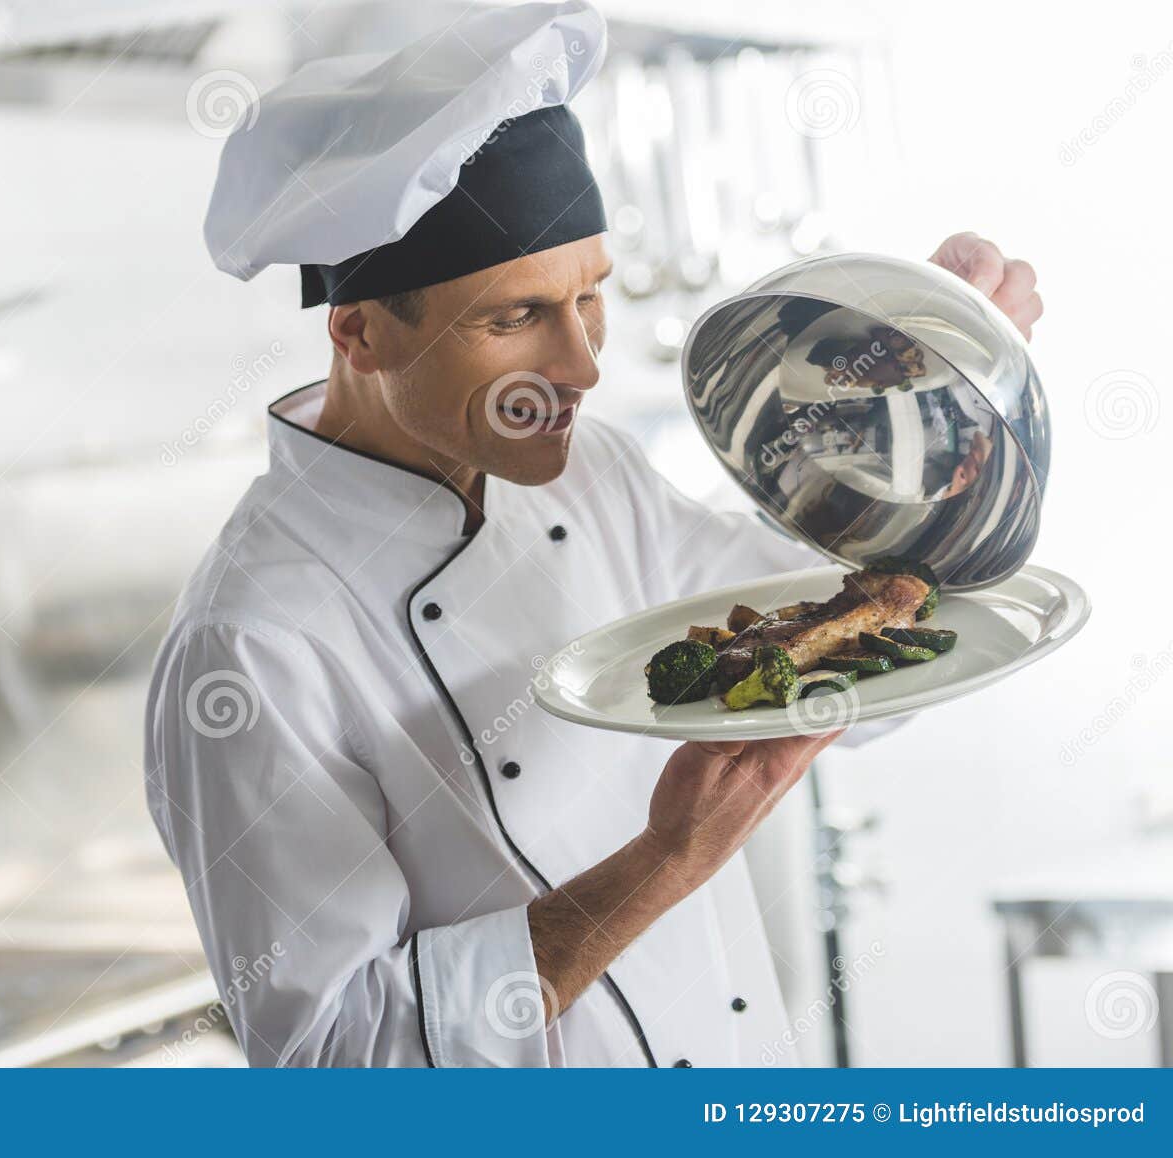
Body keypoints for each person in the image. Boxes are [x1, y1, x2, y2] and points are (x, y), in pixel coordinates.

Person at [145, 0, 1042, 1067]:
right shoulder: (251, 643)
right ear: (361, 330)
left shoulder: (591, 478)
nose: (579, 366)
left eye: (590, 296)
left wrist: (931, 402)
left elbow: (857, 662)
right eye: (513, 315)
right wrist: (667, 859)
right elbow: (340, 1061)